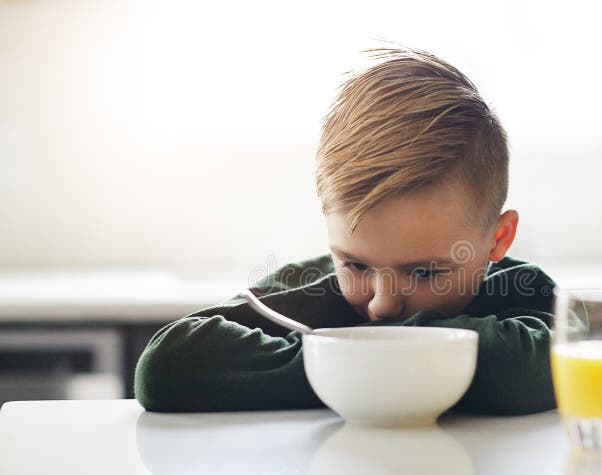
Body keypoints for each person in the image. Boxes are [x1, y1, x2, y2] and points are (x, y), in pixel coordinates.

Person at [134, 47, 557, 415]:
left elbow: (531, 371)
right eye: (355, 264)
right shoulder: (307, 288)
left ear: (497, 239)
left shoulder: (521, 292)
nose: (382, 305)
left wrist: (343, 364)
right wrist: (348, 371)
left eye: (425, 272)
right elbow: (168, 364)